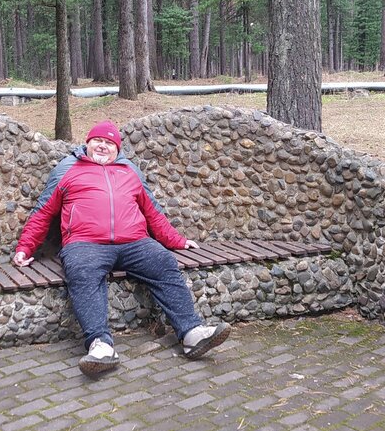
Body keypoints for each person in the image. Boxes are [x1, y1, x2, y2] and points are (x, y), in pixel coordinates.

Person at [14, 120, 231, 376]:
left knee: (163, 261)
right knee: (82, 272)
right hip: (85, 244)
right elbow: (43, 212)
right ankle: (100, 345)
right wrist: (25, 248)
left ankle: (191, 333)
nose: (102, 146)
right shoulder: (67, 169)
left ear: (117, 149)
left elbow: (152, 211)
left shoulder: (130, 170)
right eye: (97, 141)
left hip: (135, 242)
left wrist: (176, 241)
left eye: (109, 143)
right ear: (87, 143)